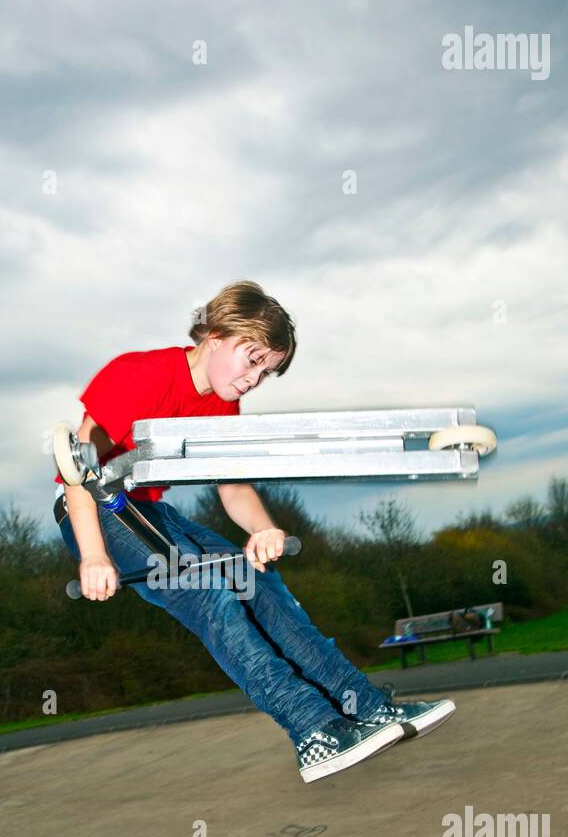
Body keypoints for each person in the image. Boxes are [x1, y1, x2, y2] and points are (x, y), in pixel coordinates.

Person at [56, 280, 454, 783]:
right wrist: (93, 556)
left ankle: (367, 707)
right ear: (215, 334)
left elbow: (234, 487)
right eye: (251, 359)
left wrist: (264, 529)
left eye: (266, 371)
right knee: (207, 595)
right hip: (95, 512)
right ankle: (313, 730)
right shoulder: (138, 374)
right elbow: (77, 472)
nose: (253, 379)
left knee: (258, 582)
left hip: (152, 512)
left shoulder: (222, 404)